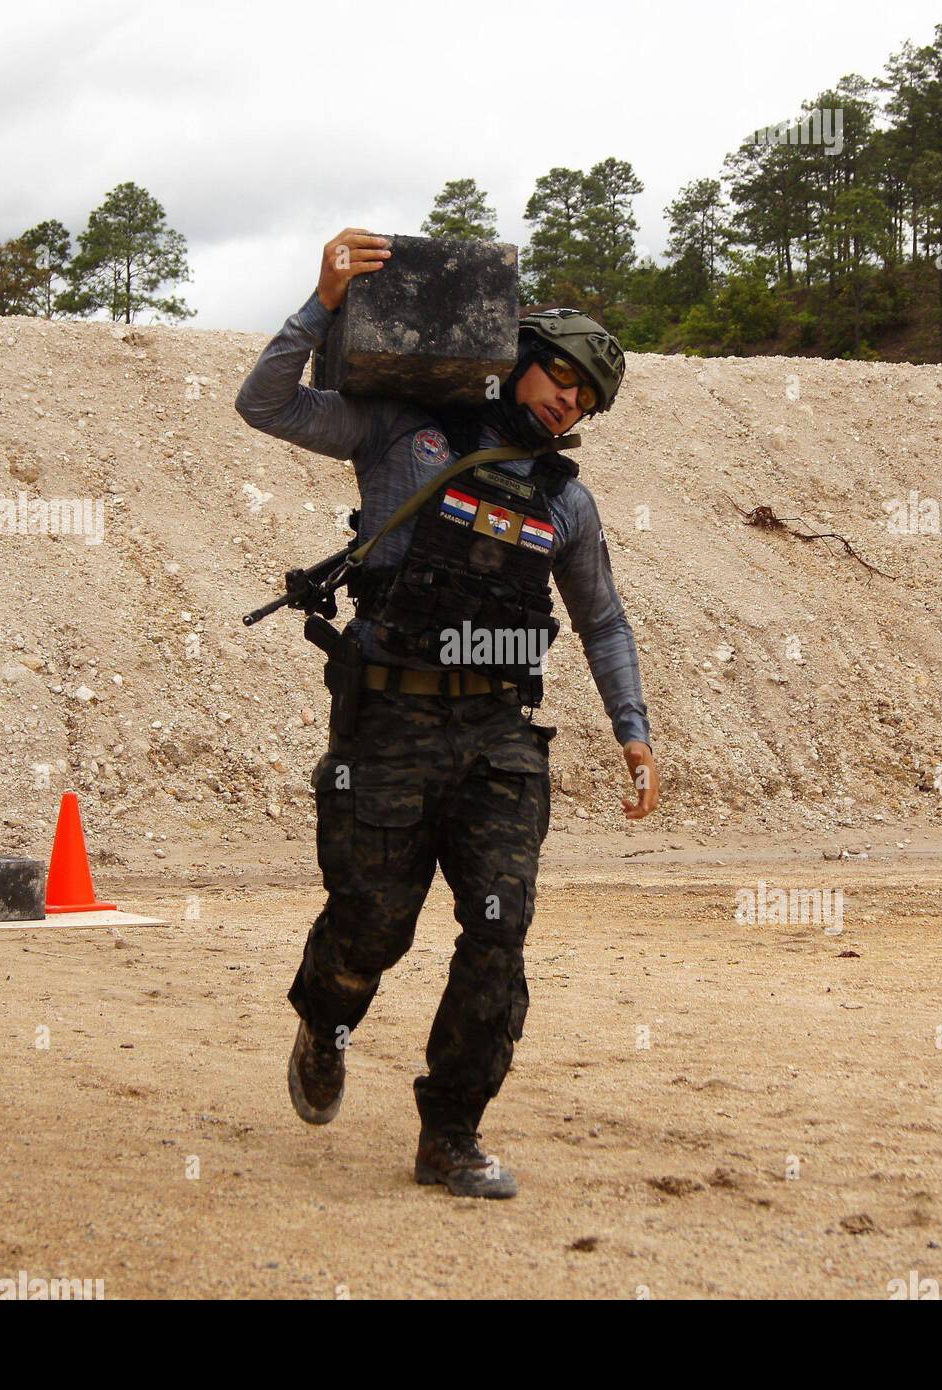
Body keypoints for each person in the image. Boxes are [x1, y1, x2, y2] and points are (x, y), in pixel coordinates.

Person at [235, 228, 659, 1199]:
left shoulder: (568, 501)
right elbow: (263, 402)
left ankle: (450, 1133)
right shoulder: (401, 431)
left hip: (501, 736)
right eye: (561, 376)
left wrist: (632, 728)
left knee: (497, 934)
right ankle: (325, 1019)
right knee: (371, 928)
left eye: (587, 397)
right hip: (388, 723)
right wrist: (319, 301)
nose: (568, 401)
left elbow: (601, 620)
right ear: (518, 355)